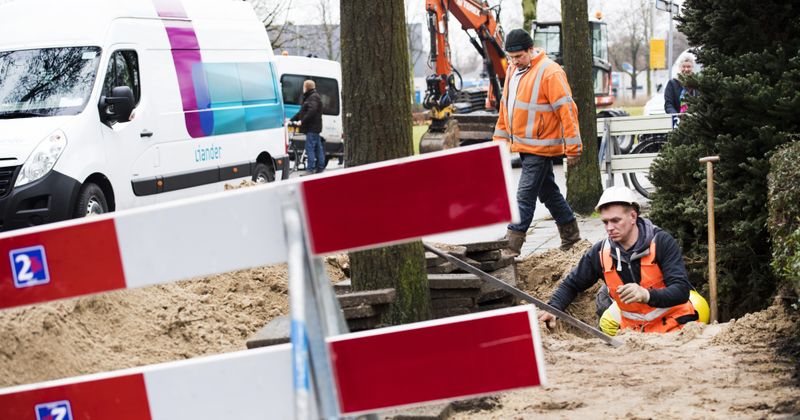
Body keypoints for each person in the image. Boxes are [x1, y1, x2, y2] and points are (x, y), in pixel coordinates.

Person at [538, 186, 700, 333]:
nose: (609, 228)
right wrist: (553, 309)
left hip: (678, 329)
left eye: (615, 220)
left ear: (633, 216)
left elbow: (681, 291)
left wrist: (646, 295)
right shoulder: (601, 253)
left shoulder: (661, 243)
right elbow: (572, 284)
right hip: (635, 336)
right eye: (605, 222)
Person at [492, 28, 583, 256]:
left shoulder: (550, 72)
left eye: (519, 56)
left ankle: (512, 245)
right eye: (511, 57)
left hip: (541, 148)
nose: (515, 61)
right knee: (548, 193)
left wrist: (573, 148)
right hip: (524, 146)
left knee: (525, 194)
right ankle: (571, 236)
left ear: (531, 50)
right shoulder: (513, 71)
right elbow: (506, 110)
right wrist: (498, 144)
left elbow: (567, 110)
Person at [290, 79, 324, 175]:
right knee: (317, 147)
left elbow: (311, 111)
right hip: (314, 127)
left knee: (310, 148)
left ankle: (310, 169)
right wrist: (291, 119)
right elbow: (301, 112)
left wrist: (301, 121)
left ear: (307, 87)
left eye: (304, 86)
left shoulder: (312, 97)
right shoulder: (311, 97)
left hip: (312, 127)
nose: (303, 88)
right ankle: (320, 168)